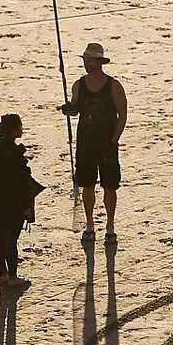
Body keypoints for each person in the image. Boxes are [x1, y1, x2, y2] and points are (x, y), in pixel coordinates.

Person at [60, 41, 127, 246]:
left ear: (99, 62)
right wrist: (69, 109)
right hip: (85, 143)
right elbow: (75, 109)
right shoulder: (79, 85)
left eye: (89, 60)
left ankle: (110, 226)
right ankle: (90, 225)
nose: (86, 63)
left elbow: (122, 115)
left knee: (110, 186)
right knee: (87, 185)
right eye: (85, 60)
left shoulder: (114, 86)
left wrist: (114, 140)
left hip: (107, 144)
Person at [0, 113, 43, 286]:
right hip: (14, 201)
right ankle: (12, 276)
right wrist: (27, 206)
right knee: (11, 240)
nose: (22, 129)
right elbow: (21, 182)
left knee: (1, 236)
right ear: (13, 129)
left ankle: (3, 274)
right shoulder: (15, 154)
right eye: (20, 126)